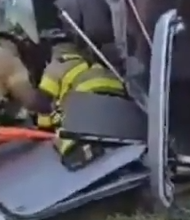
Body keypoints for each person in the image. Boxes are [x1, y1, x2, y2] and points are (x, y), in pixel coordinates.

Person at [37, 41, 125, 169]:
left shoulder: (55, 66)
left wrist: (44, 127)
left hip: (85, 95)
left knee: (64, 134)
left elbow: (43, 100)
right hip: (115, 91)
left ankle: (81, 151)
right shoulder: (86, 61)